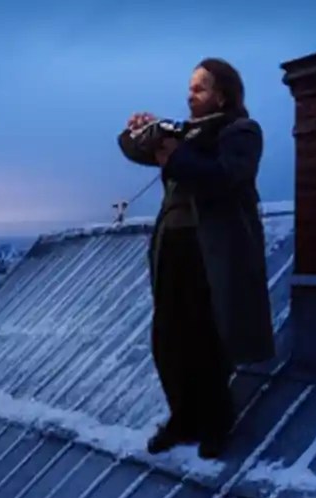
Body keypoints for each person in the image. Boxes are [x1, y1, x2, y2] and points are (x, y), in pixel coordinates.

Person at [118, 58, 276, 459]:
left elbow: (222, 176)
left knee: (207, 336)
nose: (190, 95)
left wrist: (174, 154)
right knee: (169, 337)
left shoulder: (241, 131)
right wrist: (138, 131)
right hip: (174, 244)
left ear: (221, 95)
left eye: (200, 88)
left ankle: (216, 423)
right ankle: (183, 417)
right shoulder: (186, 134)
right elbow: (140, 151)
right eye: (190, 88)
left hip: (210, 248)